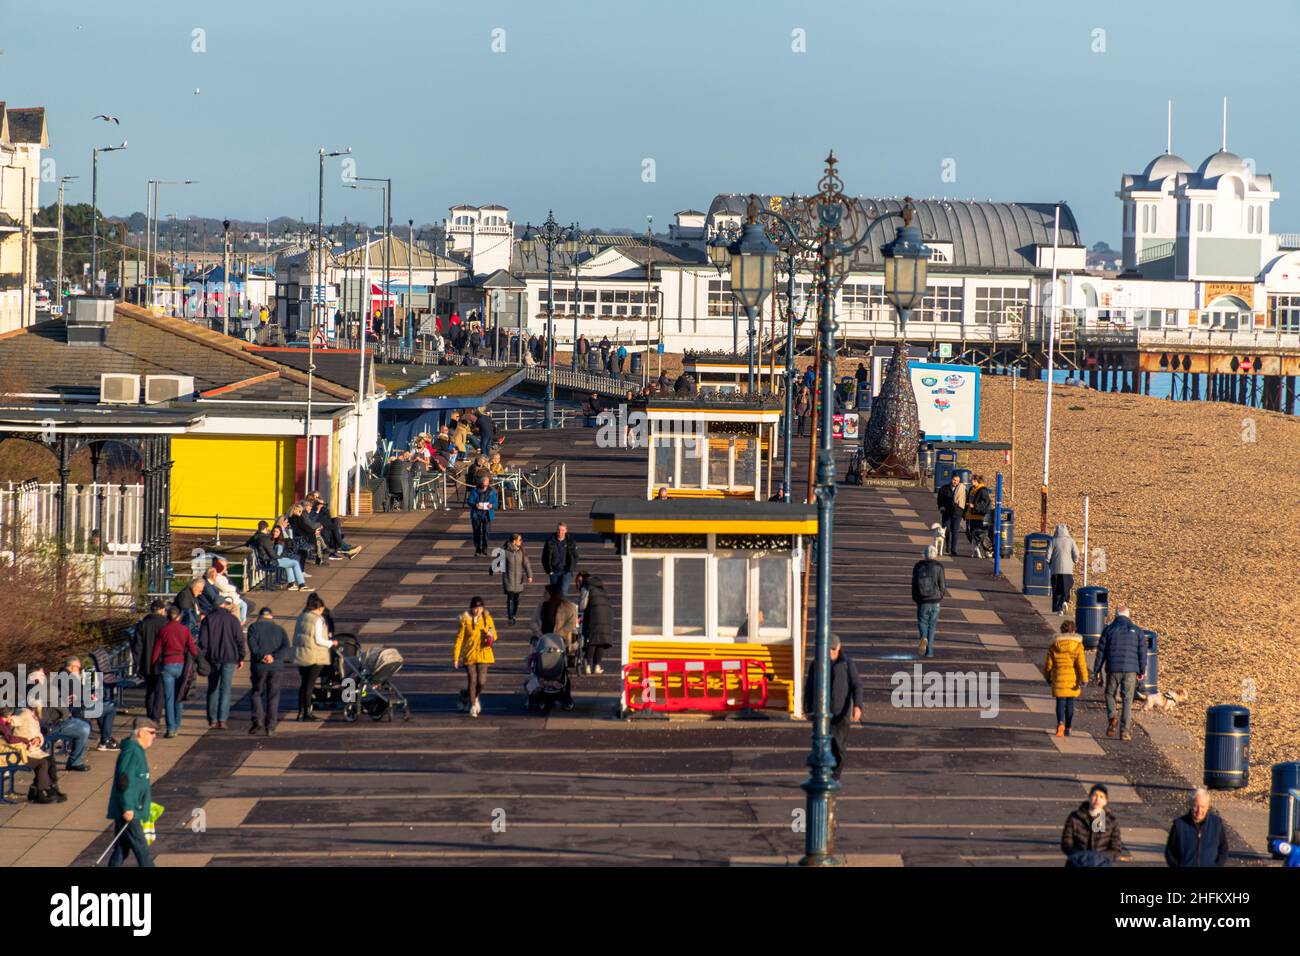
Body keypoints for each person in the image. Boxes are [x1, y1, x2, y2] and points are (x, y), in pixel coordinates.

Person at [801, 634, 862, 780]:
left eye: (834, 649)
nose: (831, 652)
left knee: (839, 748)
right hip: (822, 713)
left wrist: (857, 706)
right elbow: (809, 687)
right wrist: (807, 708)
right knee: (822, 746)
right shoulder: (817, 664)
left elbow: (857, 685)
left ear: (839, 648)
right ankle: (825, 775)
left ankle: (835, 775)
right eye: (828, 649)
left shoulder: (847, 664)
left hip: (841, 714)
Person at [106, 718, 158, 868]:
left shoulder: (137, 751)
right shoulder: (132, 752)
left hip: (132, 809)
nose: (154, 736)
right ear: (141, 732)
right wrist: (128, 807)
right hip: (129, 811)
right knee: (142, 850)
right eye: (151, 732)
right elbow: (124, 781)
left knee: (122, 849)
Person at [1093, 604, 1146, 741]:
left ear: (1116, 616)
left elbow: (1101, 652)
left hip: (1113, 668)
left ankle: (1112, 717)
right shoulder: (1138, 631)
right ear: (1129, 616)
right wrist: (1142, 670)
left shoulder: (1109, 630)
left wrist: (1097, 670)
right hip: (1131, 670)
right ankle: (1125, 731)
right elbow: (1142, 653)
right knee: (1127, 699)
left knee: (1110, 694)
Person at [29, 667, 92, 773]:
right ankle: (75, 762)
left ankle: (75, 761)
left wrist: (65, 701)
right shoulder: (37, 689)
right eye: (41, 675)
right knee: (84, 728)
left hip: (56, 721)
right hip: (51, 725)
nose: (44, 676)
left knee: (83, 724)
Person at [152, 605, 199, 737]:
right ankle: (177, 724)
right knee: (180, 696)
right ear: (179, 616)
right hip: (181, 664)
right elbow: (193, 649)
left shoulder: (163, 630)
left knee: (169, 698)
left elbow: (156, 650)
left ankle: (170, 727)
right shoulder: (184, 630)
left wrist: (153, 664)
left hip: (167, 665)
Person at [200, 595, 246, 730]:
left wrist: (204, 656)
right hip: (229, 657)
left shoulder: (208, 619)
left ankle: (212, 719)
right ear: (224, 605)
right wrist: (241, 657)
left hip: (212, 658)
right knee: (226, 689)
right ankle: (222, 719)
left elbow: (203, 642)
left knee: (212, 688)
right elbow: (239, 639)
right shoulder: (233, 620)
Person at [0, 706, 64, 803]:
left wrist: (38, 740)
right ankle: (40, 792)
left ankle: (47, 788)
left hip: (19, 751)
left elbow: (38, 733)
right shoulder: (22, 714)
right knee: (43, 763)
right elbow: (11, 736)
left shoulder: (33, 716)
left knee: (50, 760)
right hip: (12, 755)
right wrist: (25, 741)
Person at [292, 592, 336, 722]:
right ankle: (307, 713)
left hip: (301, 655)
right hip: (314, 656)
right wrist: (331, 643)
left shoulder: (301, 617)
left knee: (303, 685)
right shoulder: (317, 619)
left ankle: (301, 711)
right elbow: (319, 640)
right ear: (318, 608)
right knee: (309, 686)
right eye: (322, 609)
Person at [246, 607, 290, 736]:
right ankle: (270, 727)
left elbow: (253, 647)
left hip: (259, 666)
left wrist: (262, 656)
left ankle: (257, 719)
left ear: (259, 617)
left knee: (256, 693)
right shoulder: (280, 629)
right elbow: (286, 647)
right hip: (276, 667)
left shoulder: (253, 628)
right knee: (273, 696)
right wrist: (273, 656)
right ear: (272, 616)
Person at [61, 655, 117, 752]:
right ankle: (105, 740)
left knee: (102, 709)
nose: (79, 670)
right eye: (78, 668)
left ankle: (106, 739)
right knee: (110, 708)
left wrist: (89, 696)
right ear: (72, 667)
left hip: (77, 707)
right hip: (77, 710)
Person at [1060, 783, 1125, 866]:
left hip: (1101, 863)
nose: (1097, 799)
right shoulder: (1075, 817)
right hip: (1077, 861)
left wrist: (1100, 857)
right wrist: (1080, 856)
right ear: (1089, 797)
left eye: (1101, 797)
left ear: (1105, 801)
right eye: (1095, 795)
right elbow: (1066, 843)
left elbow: (1115, 848)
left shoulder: (1110, 821)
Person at [453, 597, 497, 717]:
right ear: (471, 608)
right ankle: (473, 705)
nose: (478, 611)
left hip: (484, 654)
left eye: (480, 608)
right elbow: (459, 640)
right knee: (473, 680)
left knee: (481, 682)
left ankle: (469, 696)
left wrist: (490, 635)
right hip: (470, 655)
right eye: (475, 608)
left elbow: (495, 635)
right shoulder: (465, 621)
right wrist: (456, 658)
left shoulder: (487, 619)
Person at [1165, 788, 1230, 867]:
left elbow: (1223, 849)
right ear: (1190, 805)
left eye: (1203, 807)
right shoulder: (1179, 825)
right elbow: (1170, 852)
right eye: (1196, 806)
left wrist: (1217, 865)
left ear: (1208, 806)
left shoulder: (1216, 824)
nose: (1199, 811)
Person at [1044, 619, 1088, 737]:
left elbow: (1048, 665)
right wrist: (1084, 679)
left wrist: (1047, 677)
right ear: (1073, 631)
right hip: (1073, 679)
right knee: (1070, 703)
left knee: (1060, 702)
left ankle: (1060, 723)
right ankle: (1068, 727)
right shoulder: (1078, 646)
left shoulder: (1054, 646)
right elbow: (1081, 664)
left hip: (1059, 677)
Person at [131, 599, 168, 722]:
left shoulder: (142, 624)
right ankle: (155, 717)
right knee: (159, 690)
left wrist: (137, 663)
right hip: (161, 662)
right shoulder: (166, 623)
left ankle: (149, 713)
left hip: (146, 663)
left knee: (150, 690)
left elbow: (137, 647)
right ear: (162, 610)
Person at [910, 545, 948, 657]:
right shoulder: (939, 566)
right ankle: (929, 652)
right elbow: (943, 584)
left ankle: (923, 638)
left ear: (925, 554)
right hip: (935, 600)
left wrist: (915, 597)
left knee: (922, 622)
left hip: (922, 600)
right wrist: (940, 595)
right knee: (932, 625)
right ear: (935, 553)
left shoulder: (918, 566)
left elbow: (914, 584)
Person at [248, 520, 306, 590]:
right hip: (270, 561)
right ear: (266, 528)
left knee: (290, 561)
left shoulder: (258, 536)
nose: (274, 533)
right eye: (273, 531)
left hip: (268, 560)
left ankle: (291, 584)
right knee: (295, 563)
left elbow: (248, 543)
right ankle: (301, 585)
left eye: (277, 532)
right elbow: (272, 555)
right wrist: (281, 557)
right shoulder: (266, 539)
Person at [576, 571, 612, 675]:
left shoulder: (586, 587)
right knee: (601, 641)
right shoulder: (601, 587)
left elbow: (582, 605)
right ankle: (597, 666)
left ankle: (587, 666)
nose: (578, 583)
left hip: (594, 615)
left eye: (579, 580)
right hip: (607, 615)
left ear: (583, 578)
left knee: (591, 640)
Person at [531, 582, 579, 654]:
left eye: (546, 593)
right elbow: (533, 621)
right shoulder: (541, 606)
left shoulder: (568, 607)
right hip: (543, 637)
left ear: (552, 594)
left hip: (560, 639)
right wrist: (538, 631)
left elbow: (571, 624)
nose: (543, 595)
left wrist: (557, 634)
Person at [1047, 523, 1080, 615]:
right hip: (1068, 570)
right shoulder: (1071, 541)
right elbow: (1076, 554)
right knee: (1066, 587)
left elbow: (1048, 554)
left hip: (1055, 570)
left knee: (1057, 589)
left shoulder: (1053, 541)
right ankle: (1065, 601)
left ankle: (1059, 610)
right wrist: (1075, 561)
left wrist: (1048, 563)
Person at [500, 533, 533, 625]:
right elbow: (498, 562)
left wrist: (529, 575)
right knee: (510, 598)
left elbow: (526, 564)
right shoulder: (505, 551)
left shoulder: (522, 551)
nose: (521, 541)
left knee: (516, 599)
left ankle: (514, 614)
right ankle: (510, 617)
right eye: (520, 540)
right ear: (514, 541)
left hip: (519, 580)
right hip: (509, 579)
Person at [542, 522, 579, 595]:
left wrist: (570, 569)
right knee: (555, 593)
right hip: (554, 572)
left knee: (563, 592)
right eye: (559, 530)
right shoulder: (550, 541)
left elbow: (575, 556)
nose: (560, 532)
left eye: (562, 530)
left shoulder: (570, 542)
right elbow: (544, 557)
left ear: (566, 530)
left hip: (566, 572)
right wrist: (549, 571)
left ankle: (562, 606)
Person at [467, 474, 498, 556]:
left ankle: (485, 548)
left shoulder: (492, 492)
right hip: (476, 514)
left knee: (486, 532)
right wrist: (475, 504)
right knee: (476, 532)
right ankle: (477, 549)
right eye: (483, 484)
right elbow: (470, 501)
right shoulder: (474, 491)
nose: (484, 486)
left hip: (487, 514)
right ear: (480, 483)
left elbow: (496, 503)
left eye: (486, 484)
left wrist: (492, 505)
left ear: (488, 483)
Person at [964, 474, 993, 558]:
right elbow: (968, 499)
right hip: (969, 515)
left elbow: (985, 502)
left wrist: (975, 506)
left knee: (979, 534)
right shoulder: (971, 488)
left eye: (972, 480)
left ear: (976, 481)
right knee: (969, 533)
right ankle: (977, 548)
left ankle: (987, 549)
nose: (970, 482)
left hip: (978, 516)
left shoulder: (983, 490)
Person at [936, 472, 963, 557]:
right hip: (946, 512)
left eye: (957, 481)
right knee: (947, 531)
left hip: (957, 513)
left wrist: (964, 512)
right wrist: (941, 506)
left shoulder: (962, 490)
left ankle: (953, 550)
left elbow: (965, 501)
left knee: (955, 531)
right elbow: (940, 499)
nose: (955, 482)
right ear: (951, 479)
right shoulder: (944, 488)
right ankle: (947, 547)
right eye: (954, 480)